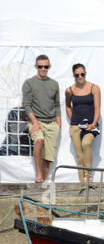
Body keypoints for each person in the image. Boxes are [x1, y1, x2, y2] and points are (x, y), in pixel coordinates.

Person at [23, 54, 62, 183]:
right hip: (36, 121)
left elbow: (57, 105)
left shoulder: (54, 84)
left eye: (46, 66)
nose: (43, 69)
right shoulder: (29, 83)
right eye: (40, 66)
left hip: (52, 123)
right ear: (36, 67)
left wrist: (58, 124)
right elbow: (26, 105)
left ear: (49, 67)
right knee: (39, 140)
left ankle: (43, 181)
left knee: (49, 156)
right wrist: (34, 122)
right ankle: (38, 174)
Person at [63, 62, 100, 183]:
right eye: (77, 75)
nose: (80, 77)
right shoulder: (69, 90)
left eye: (82, 74)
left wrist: (94, 123)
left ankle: (88, 177)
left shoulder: (94, 88)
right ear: (74, 76)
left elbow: (97, 108)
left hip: (90, 125)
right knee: (79, 156)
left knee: (86, 144)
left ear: (85, 74)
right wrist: (73, 119)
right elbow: (68, 106)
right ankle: (82, 184)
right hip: (75, 126)